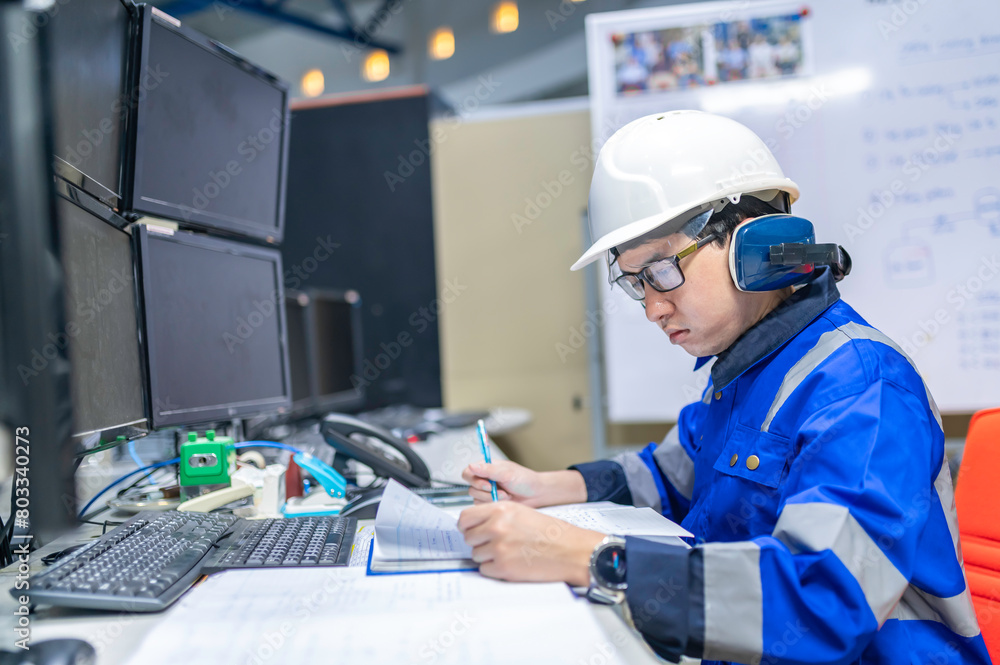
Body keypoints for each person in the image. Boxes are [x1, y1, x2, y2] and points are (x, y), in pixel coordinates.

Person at [457, 111, 992, 664]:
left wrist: (591, 558)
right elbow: (672, 474)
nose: (653, 308)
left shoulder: (862, 387)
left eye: (662, 270)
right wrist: (545, 487)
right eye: (636, 282)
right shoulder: (746, 368)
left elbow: (821, 602)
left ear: (752, 246)